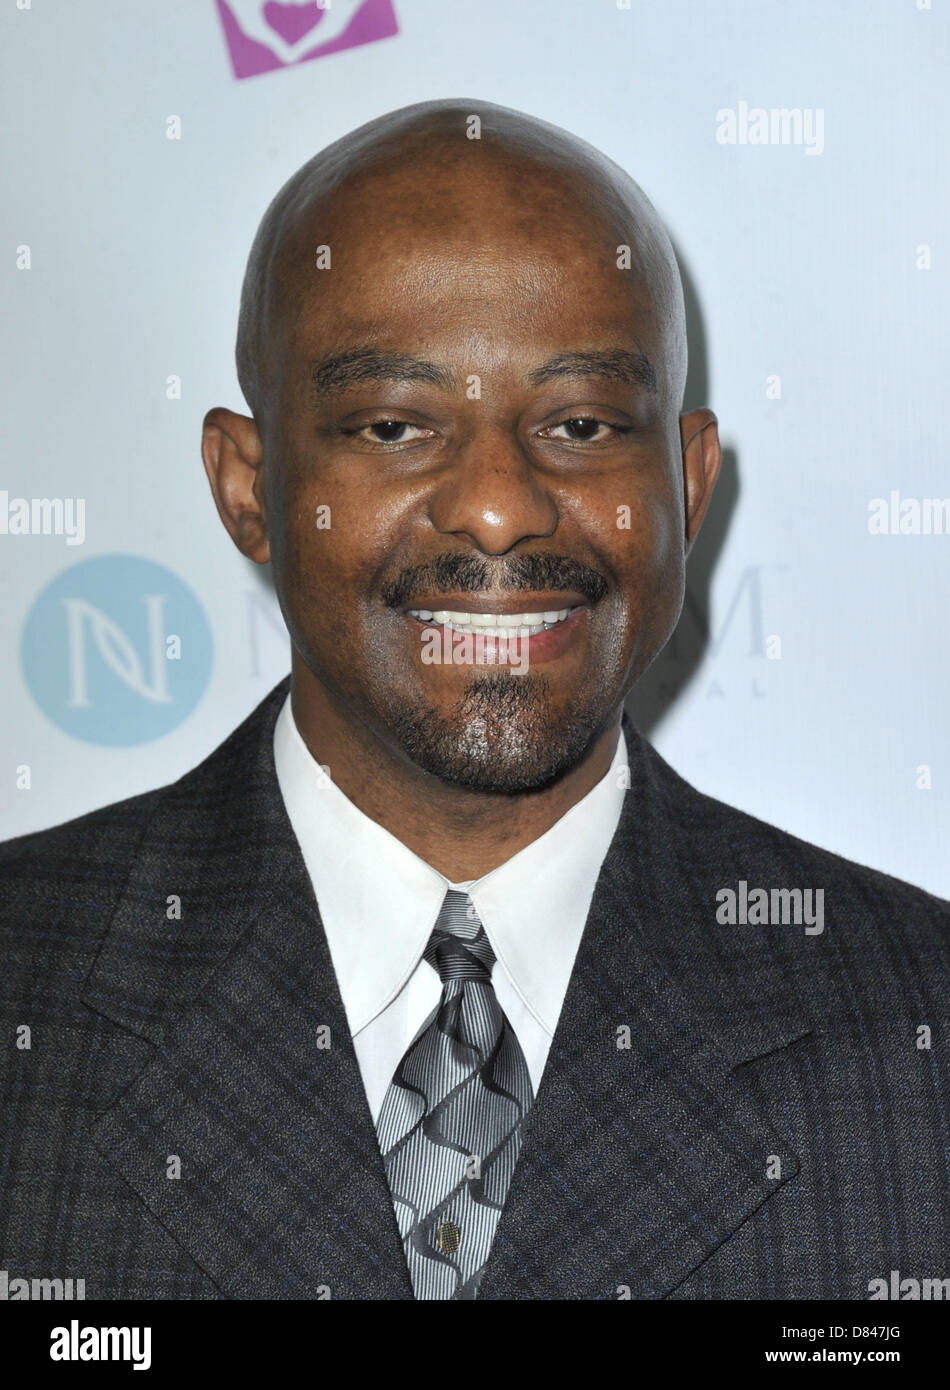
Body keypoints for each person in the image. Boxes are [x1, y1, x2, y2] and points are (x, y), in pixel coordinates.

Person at [1, 99, 948, 1302]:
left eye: (581, 423)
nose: (497, 506)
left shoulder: (918, 1025)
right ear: (248, 486)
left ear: (687, 480)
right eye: (393, 425)